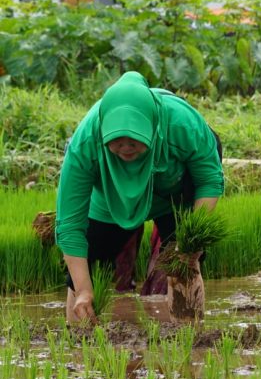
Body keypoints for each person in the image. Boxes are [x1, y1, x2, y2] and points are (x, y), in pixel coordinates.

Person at [55, 71, 224, 323]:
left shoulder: (181, 123)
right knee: (86, 265)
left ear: (151, 128)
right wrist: (83, 290)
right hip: (110, 198)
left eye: (134, 138)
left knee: (183, 264)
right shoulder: (86, 141)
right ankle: (78, 345)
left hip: (174, 193)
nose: (125, 146)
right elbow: (69, 224)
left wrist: (189, 244)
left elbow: (209, 179)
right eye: (115, 139)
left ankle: (190, 342)